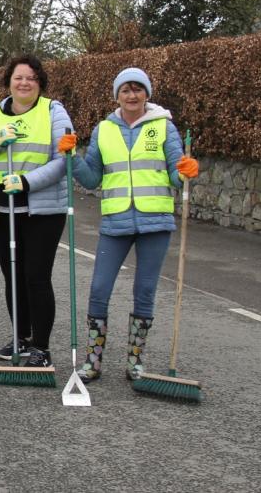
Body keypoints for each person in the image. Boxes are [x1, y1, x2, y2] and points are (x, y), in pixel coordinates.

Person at [59, 67, 199, 381]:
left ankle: (135, 363)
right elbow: (93, 178)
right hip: (116, 221)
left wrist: (185, 172)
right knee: (98, 289)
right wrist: (73, 158)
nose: (132, 95)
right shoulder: (103, 130)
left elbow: (176, 174)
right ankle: (93, 362)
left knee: (145, 291)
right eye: (125, 90)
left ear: (146, 94)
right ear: (117, 95)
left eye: (138, 89)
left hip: (156, 222)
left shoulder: (163, 127)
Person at [0, 54, 72, 368]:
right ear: (9, 81)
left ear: (40, 83)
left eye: (31, 78)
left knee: (36, 277)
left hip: (42, 210)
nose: (24, 83)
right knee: (13, 275)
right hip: (2, 209)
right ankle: (20, 337)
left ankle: (41, 347)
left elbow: (63, 160)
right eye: (19, 77)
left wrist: (25, 181)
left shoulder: (53, 111)